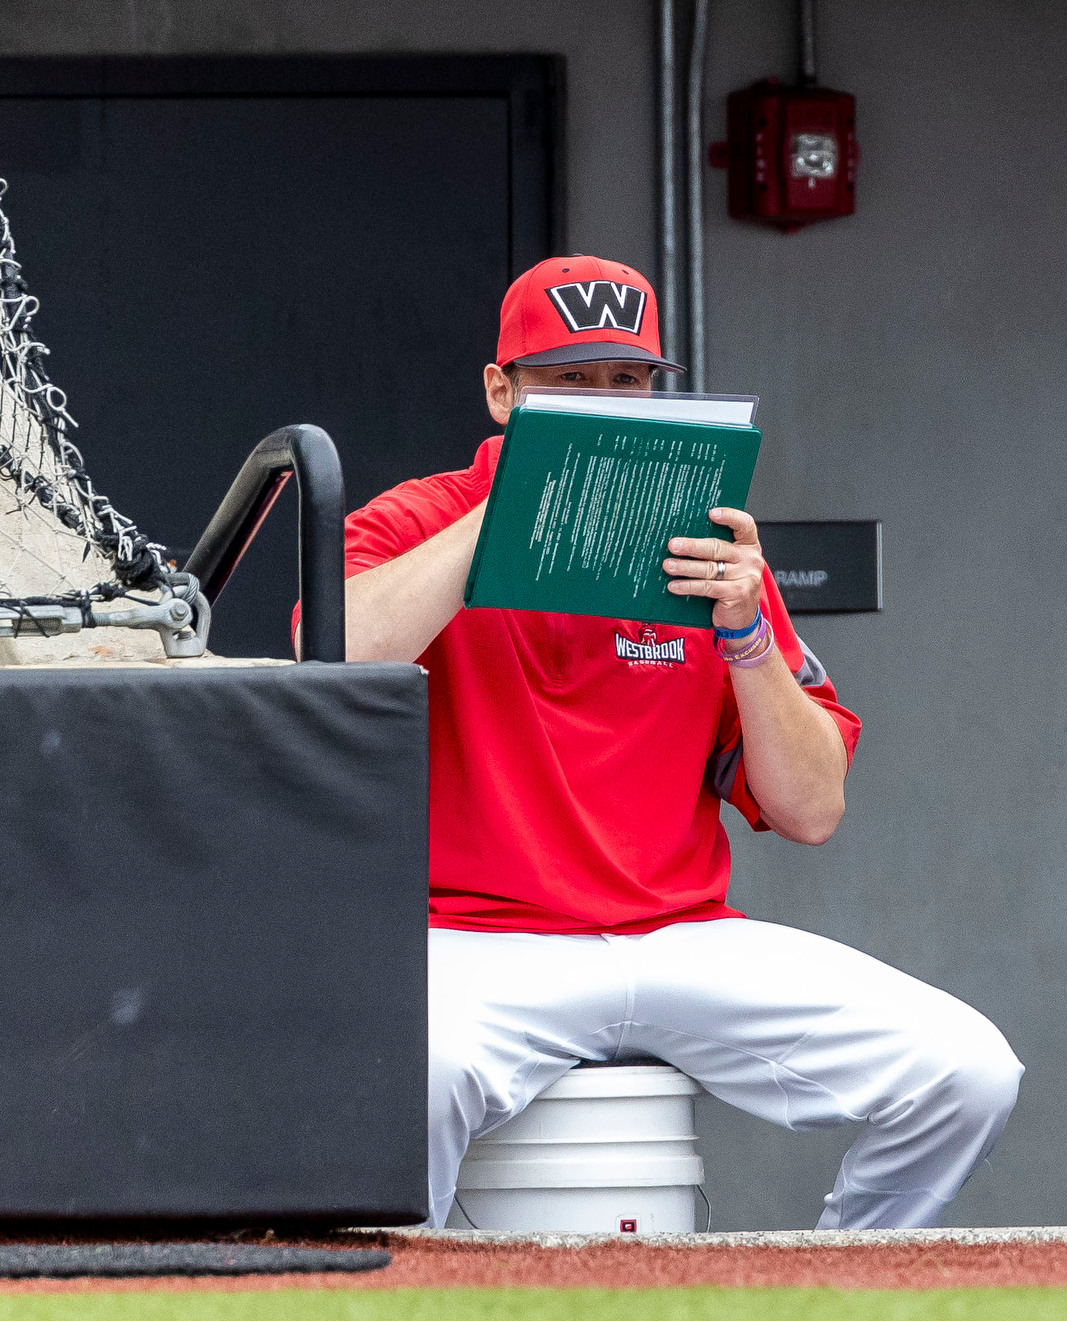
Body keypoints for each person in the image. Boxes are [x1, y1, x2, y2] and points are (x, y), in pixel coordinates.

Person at [336, 255, 1024, 1230]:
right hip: (478, 939)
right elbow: (335, 653)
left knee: (967, 1072)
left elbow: (811, 808)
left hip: (679, 931)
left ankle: (838, 1315)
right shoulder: (423, 516)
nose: (605, 407)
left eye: (627, 383)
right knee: (413, 1077)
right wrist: (511, 514)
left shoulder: (707, 549)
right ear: (502, 392)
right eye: (569, 383)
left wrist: (746, 629)